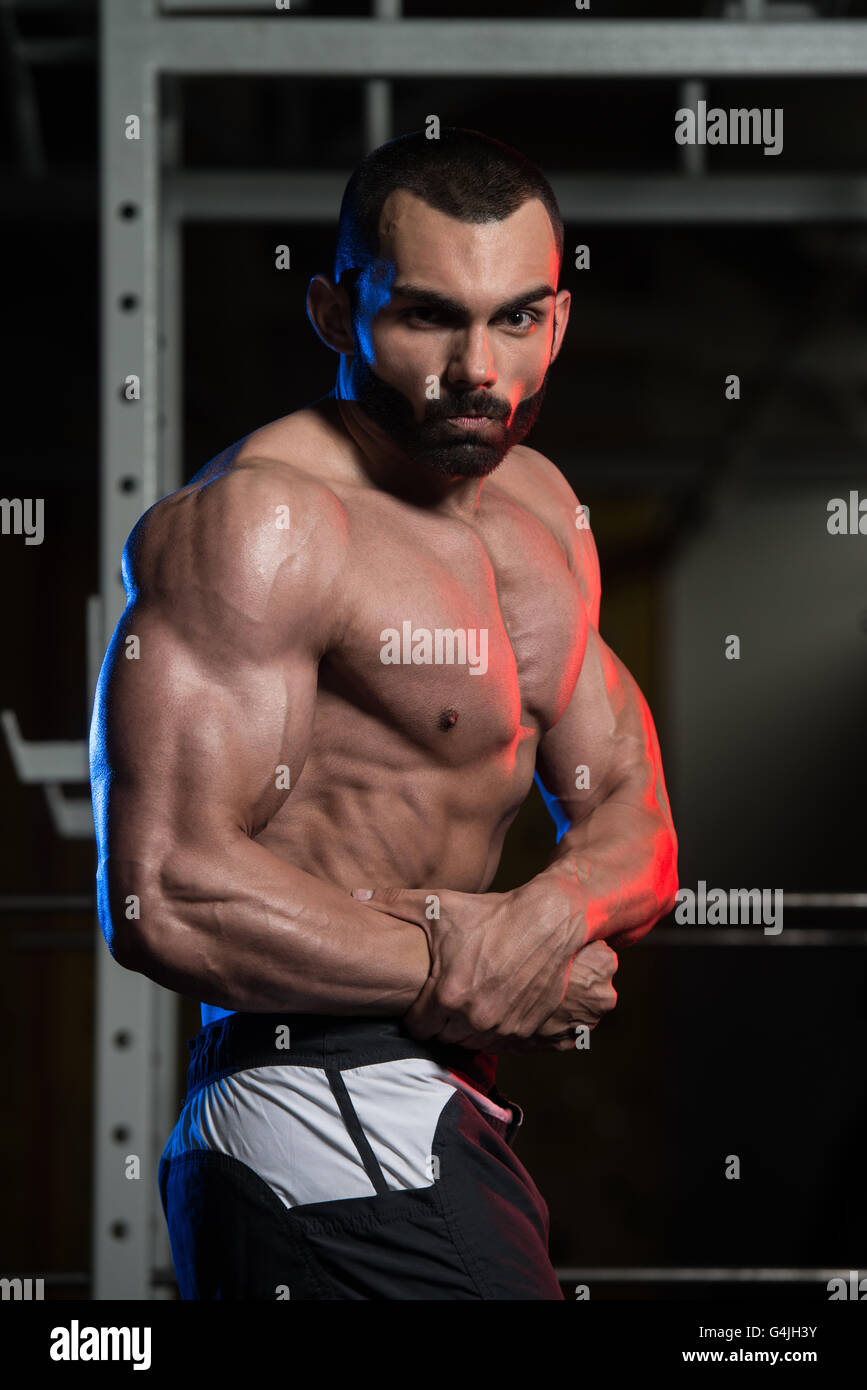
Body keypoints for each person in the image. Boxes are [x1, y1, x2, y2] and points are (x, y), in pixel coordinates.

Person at [90, 127, 678, 1300]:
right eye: (427, 317)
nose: (477, 366)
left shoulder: (543, 512)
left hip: (438, 1108)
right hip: (315, 1100)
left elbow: (633, 811)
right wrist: (463, 966)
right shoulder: (265, 524)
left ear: (557, 319)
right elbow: (163, 889)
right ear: (332, 311)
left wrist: (548, 914)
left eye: (516, 318)